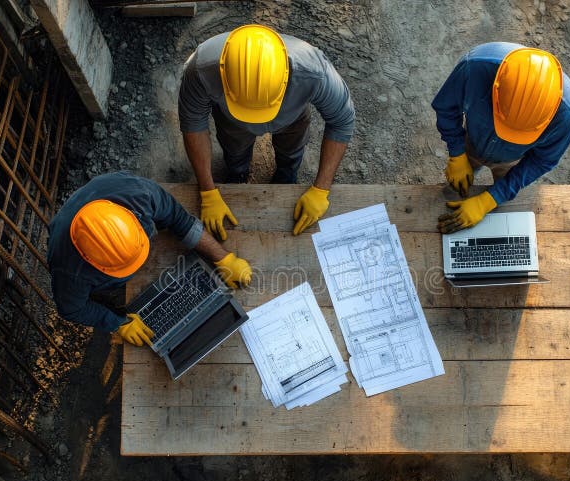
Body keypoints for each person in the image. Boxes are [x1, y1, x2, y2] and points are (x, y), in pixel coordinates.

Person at [178, 24, 355, 238]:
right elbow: (193, 123)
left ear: (286, 79)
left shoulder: (313, 72)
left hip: (292, 118)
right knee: (234, 151)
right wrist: (207, 191)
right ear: (223, 76)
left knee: (291, 151)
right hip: (232, 122)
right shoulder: (201, 70)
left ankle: (286, 175)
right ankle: (237, 173)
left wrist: (321, 188)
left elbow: (342, 121)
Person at [47, 171, 252, 346]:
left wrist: (223, 258)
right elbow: (72, 309)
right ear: (93, 265)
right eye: (123, 268)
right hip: (96, 285)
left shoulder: (137, 193)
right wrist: (116, 323)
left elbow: (178, 219)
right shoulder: (69, 271)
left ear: (131, 219)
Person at [432, 42, 570, 233]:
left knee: (501, 204)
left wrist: (490, 199)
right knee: (454, 189)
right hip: (472, 142)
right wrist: (457, 153)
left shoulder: (566, 115)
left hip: (512, 161)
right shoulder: (474, 68)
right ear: (495, 89)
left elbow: (543, 160)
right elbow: (446, 108)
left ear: (550, 115)